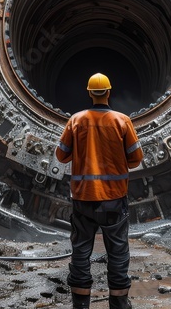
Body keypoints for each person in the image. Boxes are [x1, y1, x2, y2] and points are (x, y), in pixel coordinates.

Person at [56, 73, 144, 309]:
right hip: (114, 197)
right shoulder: (122, 121)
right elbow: (136, 159)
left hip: (83, 197)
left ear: (89, 93)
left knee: (81, 251)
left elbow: (61, 155)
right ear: (108, 92)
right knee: (117, 251)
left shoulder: (76, 121)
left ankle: (81, 304)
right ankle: (118, 304)